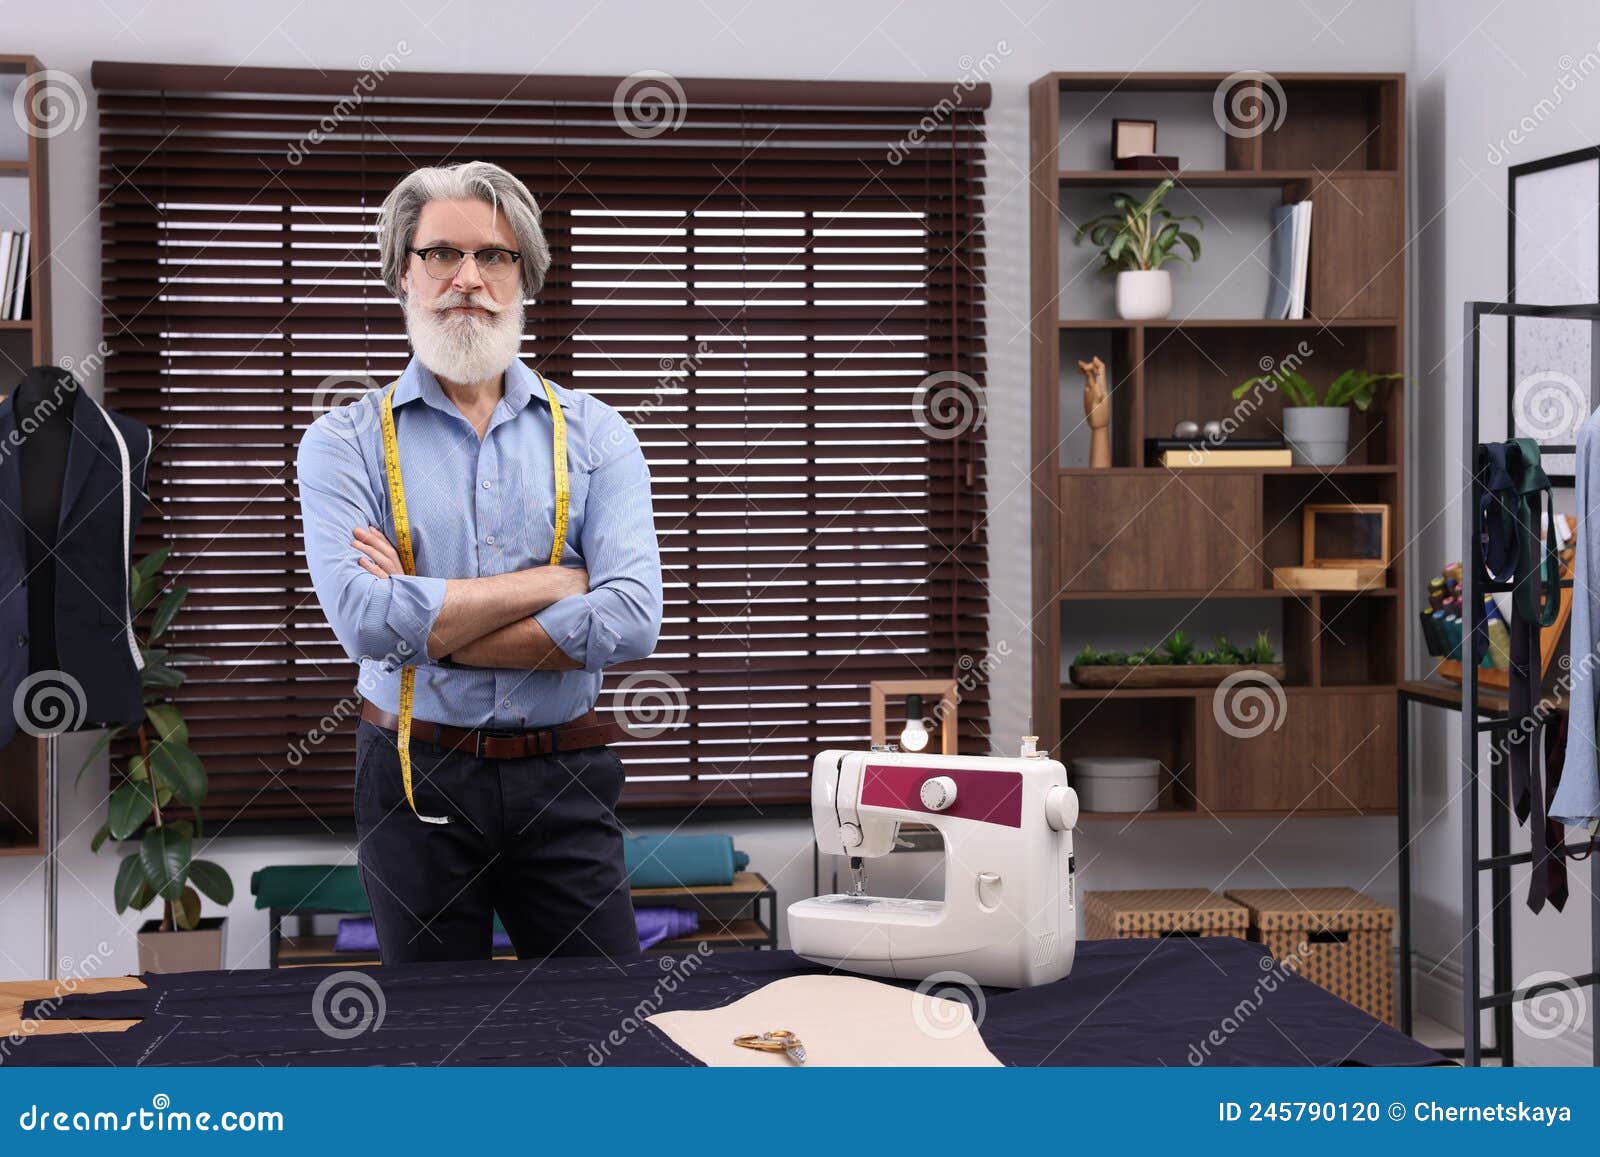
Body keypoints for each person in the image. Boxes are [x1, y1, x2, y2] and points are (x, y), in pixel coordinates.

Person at [296, 161, 662, 963]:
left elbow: (633, 619)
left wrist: (427, 620)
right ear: (404, 273)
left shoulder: (599, 434)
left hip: (565, 772)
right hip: (410, 773)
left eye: (494, 256)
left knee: (604, 1026)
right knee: (431, 1040)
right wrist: (556, 582)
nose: (468, 278)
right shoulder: (342, 443)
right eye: (441, 255)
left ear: (524, 278)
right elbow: (365, 622)